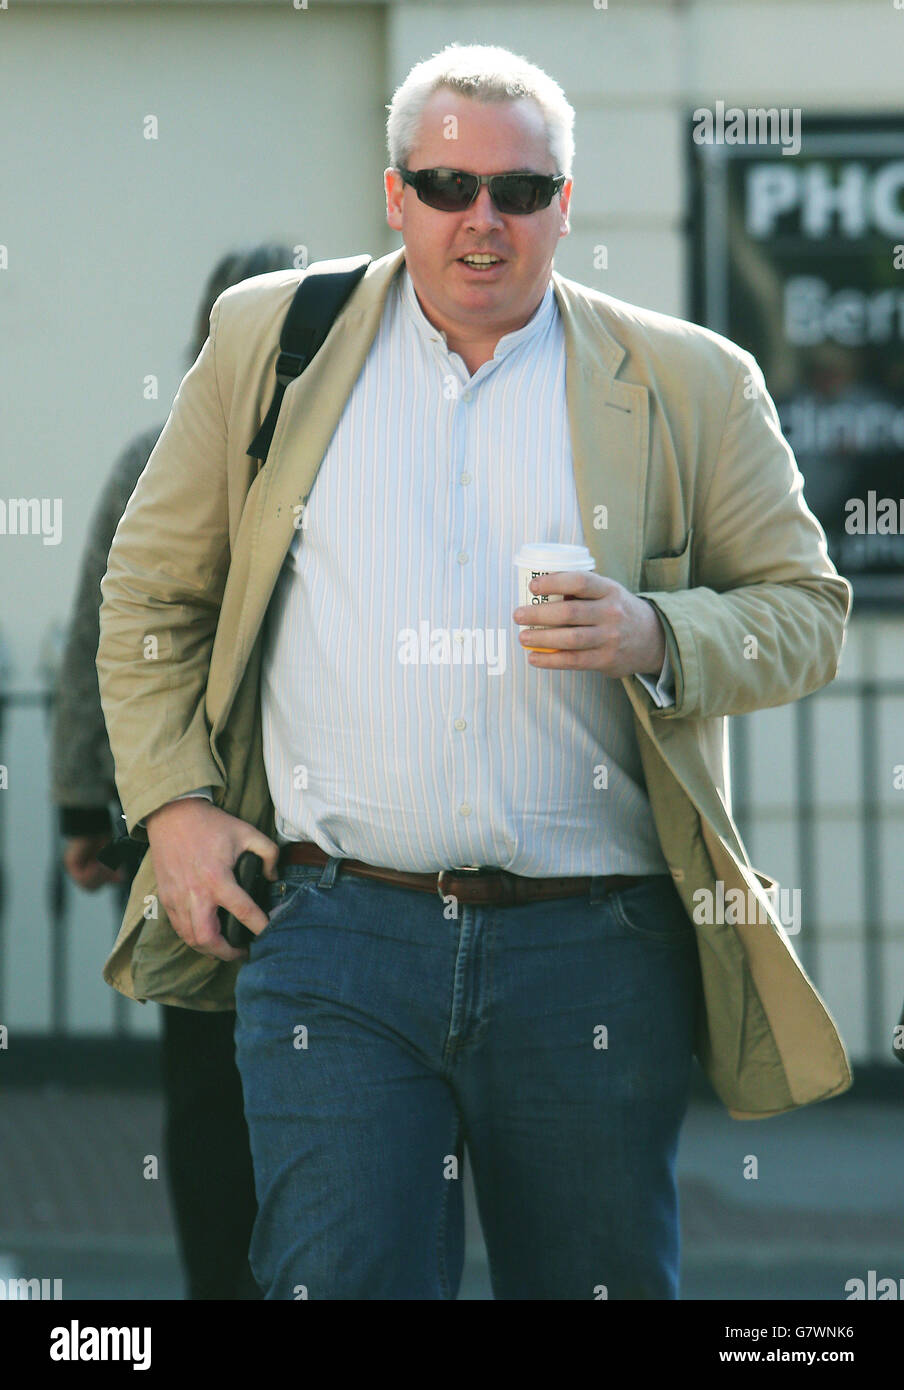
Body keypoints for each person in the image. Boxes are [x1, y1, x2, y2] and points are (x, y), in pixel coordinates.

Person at [96, 43, 853, 1300]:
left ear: (566, 200)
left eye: (516, 189)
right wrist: (172, 808)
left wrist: (658, 634)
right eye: (444, 187)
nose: (480, 220)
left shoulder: (689, 381)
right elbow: (151, 592)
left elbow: (808, 610)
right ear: (394, 195)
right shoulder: (275, 339)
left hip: (593, 946)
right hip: (335, 930)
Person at [52, 244, 296, 1299]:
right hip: (199, 827)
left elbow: (84, 643)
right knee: (219, 1088)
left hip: (273, 829)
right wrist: (85, 801)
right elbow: (98, 638)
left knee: (231, 1093)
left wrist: (81, 804)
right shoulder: (164, 457)